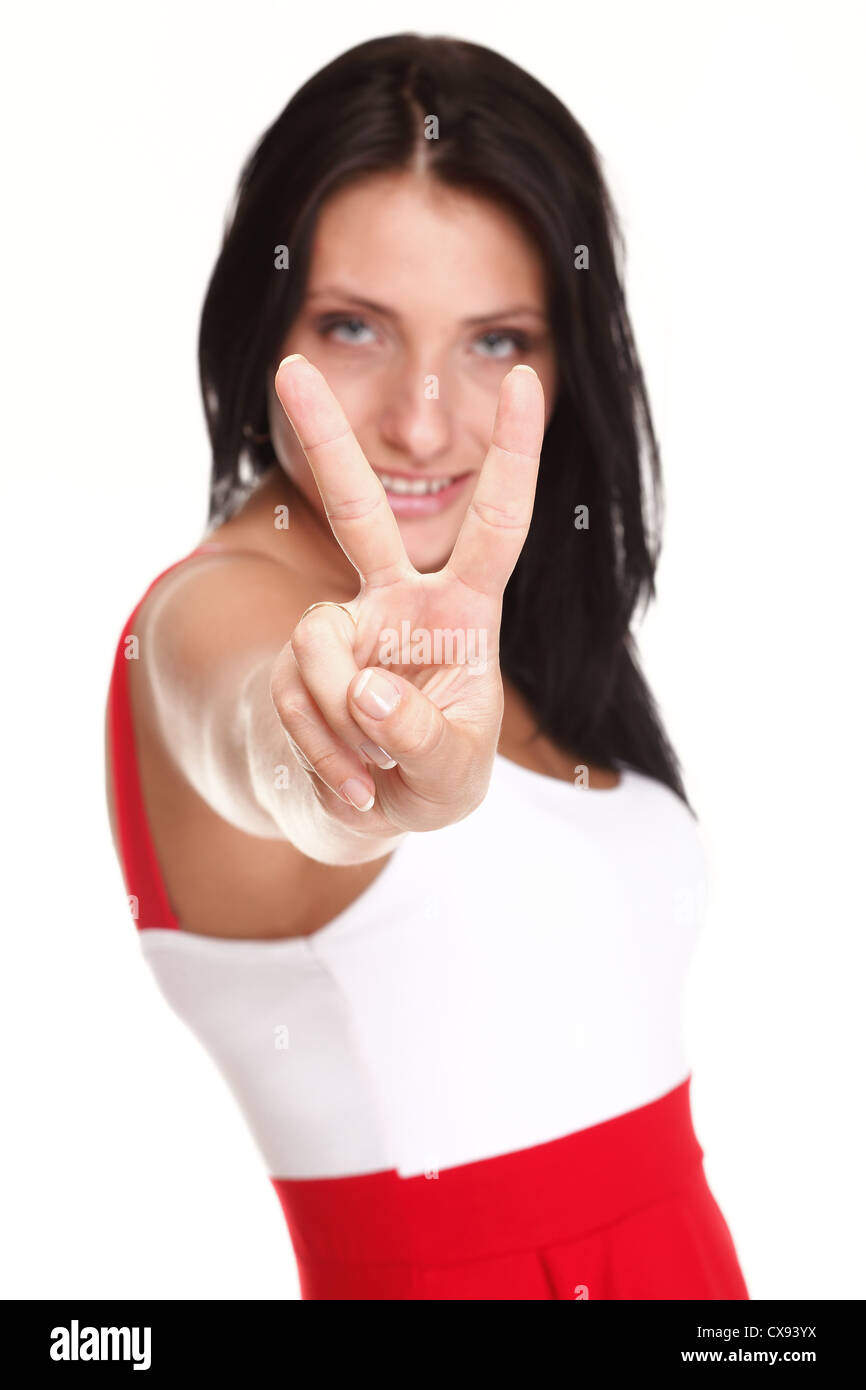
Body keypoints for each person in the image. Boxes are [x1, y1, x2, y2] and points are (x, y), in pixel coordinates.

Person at [104, 33, 749, 1300]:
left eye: (497, 342)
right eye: (353, 327)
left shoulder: (510, 616)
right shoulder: (210, 613)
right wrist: (344, 758)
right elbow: (252, 725)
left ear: (567, 359)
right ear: (260, 324)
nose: (419, 418)